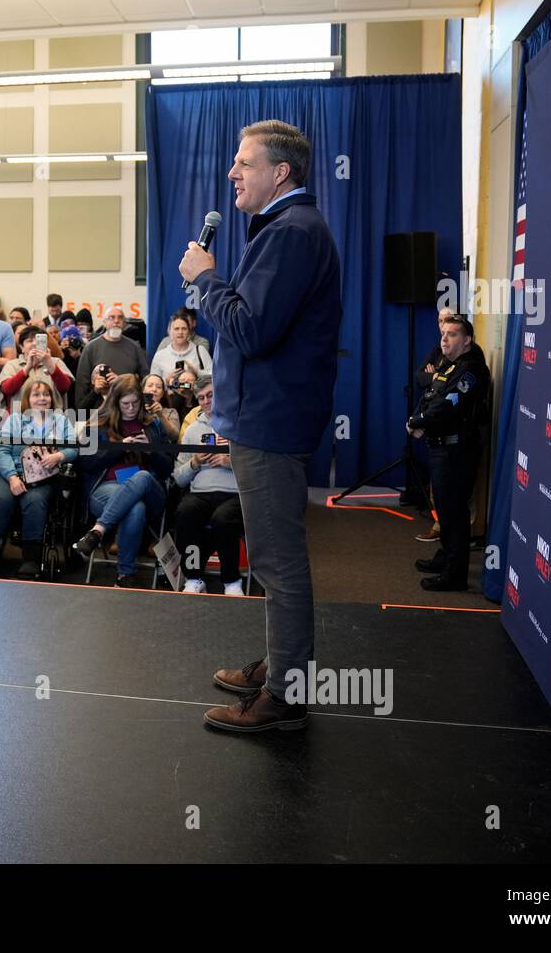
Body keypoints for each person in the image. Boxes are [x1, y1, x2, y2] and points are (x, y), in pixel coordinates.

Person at [179, 118, 342, 732]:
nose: (232, 173)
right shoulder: (284, 227)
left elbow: (249, 328)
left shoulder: (293, 233)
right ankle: (282, 666)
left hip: (272, 424)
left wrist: (204, 278)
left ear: (281, 173)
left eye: (244, 164)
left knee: (277, 562)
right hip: (263, 417)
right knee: (273, 560)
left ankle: (286, 698)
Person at [409, 317, 489, 592]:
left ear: (467, 340)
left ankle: (455, 575)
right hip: (442, 446)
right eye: (443, 333)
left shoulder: (472, 371)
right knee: (444, 510)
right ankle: (446, 559)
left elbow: (447, 406)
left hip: (457, 451)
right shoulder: (450, 366)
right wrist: (419, 418)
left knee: (454, 513)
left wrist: (419, 423)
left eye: (452, 334)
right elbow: (431, 394)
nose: (444, 339)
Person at [72, 375, 174, 587]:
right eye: (125, 404)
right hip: (107, 489)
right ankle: (125, 575)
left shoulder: (153, 424)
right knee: (134, 508)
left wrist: (150, 451)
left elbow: (168, 468)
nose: (130, 408)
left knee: (142, 476)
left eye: (135, 404)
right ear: (115, 402)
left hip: (151, 492)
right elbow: (85, 464)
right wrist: (117, 450)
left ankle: (97, 531)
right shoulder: (97, 424)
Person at [0, 380, 76, 579]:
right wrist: (12, 478)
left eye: (46, 394)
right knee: (2, 500)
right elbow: (1, 451)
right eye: (36, 395)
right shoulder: (15, 419)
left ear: (52, 399)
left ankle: (31, 559)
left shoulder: (61, 421)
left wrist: (59, 456)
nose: (42, 399)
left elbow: (74, 449)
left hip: (43, 476)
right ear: (27, 399)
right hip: (8, 472)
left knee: (35, 501)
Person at [174, 375, 245, 596]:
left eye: (211, 395)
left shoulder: (240, 425)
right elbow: (178, 478)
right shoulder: (192, 430)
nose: (206, 401)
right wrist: (194, 463)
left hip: (234, 494)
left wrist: (229, 462)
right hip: (201, 494)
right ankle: (194, 577)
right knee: (185, 512)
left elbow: (257, 469)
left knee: (222, 519)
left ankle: (232, 580)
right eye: (201, 397)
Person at [414, 306, 456, 543]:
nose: (443, 326)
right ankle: (439, 526)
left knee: (451, 490)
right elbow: (420, 378)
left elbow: (448, 385)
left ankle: (446, 531)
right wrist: (434, 377)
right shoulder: (437, 349)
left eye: (448, 320)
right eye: (440, 321)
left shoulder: (466, 356)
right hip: (435, 429)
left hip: (453, 432)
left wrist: (436, 377)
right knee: (437, 485)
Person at [74, 308, 148, 409]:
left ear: (125, 323)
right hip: (98, 410)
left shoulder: (135, 348)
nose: (116, 321)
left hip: (128, 409)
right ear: (104, 322)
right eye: (111, 318)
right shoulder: (91, 348)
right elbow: (82, 386)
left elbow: (146, 380)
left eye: (120, 318)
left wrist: (121, 383)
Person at [0, 323, 74, 414]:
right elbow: (7, 389)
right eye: (29, 340)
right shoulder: (12, 365)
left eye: (38, 340)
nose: (34, 343)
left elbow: (65, 387)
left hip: (52, 419)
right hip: (20, 420)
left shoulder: (56, 362)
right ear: (21, 347)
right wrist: (27, 368)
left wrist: (49, 364)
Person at [150, 311, 213, 383]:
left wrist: (197, 372)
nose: (180, 332)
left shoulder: (200, 351)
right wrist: (167, 379)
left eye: (184, 328)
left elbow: (213, 376)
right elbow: (152, 384)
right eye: (176, 329)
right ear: (170, 332)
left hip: (195, 393)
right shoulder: (160, 355)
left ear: (189, 332)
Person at [141, 373, 180, 441]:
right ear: (142, 389)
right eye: (150, 385)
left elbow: (175, 436)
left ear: (162, 393)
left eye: (158, 387)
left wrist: (160, 415)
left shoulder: (170, 412)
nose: (154, 389)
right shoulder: (134, 409)